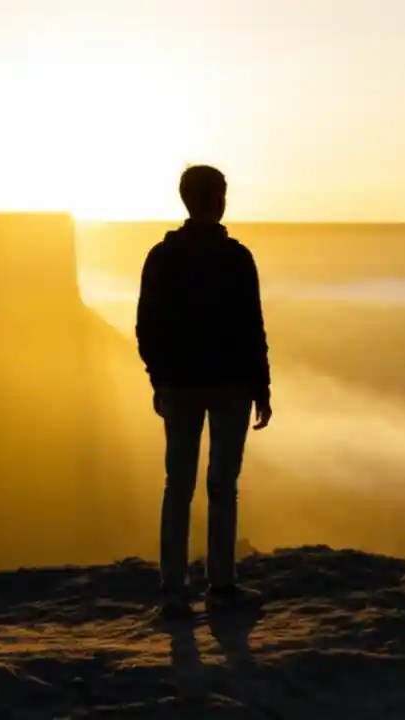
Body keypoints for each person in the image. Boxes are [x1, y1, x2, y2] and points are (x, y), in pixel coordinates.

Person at [136, 164, 273, 616]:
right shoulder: (236, 259)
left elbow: (146, 327)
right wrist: (262, 386)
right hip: (229, 386)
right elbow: (253, 329)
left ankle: (174, 592)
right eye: (221, 193)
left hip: (182, 386)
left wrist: (158, 378)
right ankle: (221, 585)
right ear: (216, 199)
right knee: (220, 486)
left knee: (179, 486)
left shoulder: (163, 257)